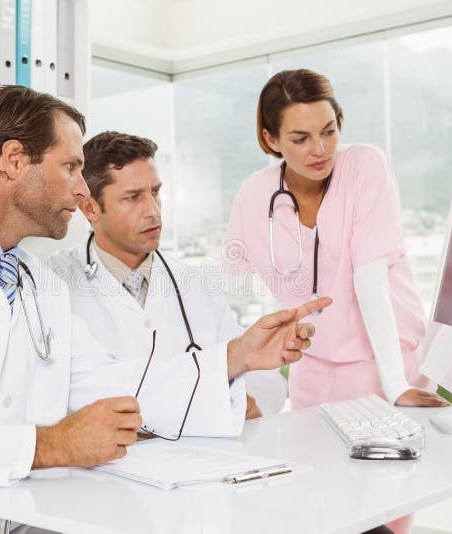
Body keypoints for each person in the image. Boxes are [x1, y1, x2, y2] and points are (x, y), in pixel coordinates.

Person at [0, 85, 327, 533]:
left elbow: (116, 385)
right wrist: (50, 445)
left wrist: (235, 357)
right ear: (13, 161)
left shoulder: (36, 281)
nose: (81, 191)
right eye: (71, 167)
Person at [223, 70, 448, 533]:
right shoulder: (254, 195)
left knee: (386, 512)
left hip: (385, 360)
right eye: (300, 138)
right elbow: (227, 285)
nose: (320, 149)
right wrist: (222, 380)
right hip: (313, 368)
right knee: (322, 510)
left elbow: (369, 278)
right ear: (270, 139)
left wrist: (395, 387)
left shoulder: (365, 166)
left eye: (328, 131)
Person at [49, 131, 288, 423]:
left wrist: (248, 402)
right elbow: (68, 397)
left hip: (201, 451)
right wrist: (207, 404)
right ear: (90, 208)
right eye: (133, 197)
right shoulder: (52, 284)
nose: (153, 211)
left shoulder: (196, 282)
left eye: (155, 192)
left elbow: (264, 375)